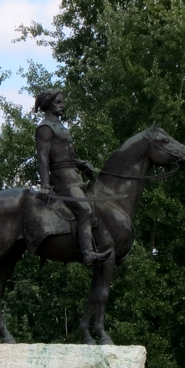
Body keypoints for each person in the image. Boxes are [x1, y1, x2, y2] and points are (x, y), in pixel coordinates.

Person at [33, 91, 110, 266]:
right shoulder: (45, 128)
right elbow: (43, 157)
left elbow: (65, 157)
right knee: (85, 211)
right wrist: (45, 184)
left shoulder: (60, 127)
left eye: (62, 102)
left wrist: (82, 163)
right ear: (48, 105)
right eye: (58, 102)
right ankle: (88, 254)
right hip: (62, 179)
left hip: (74, 176)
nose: (63, 105)